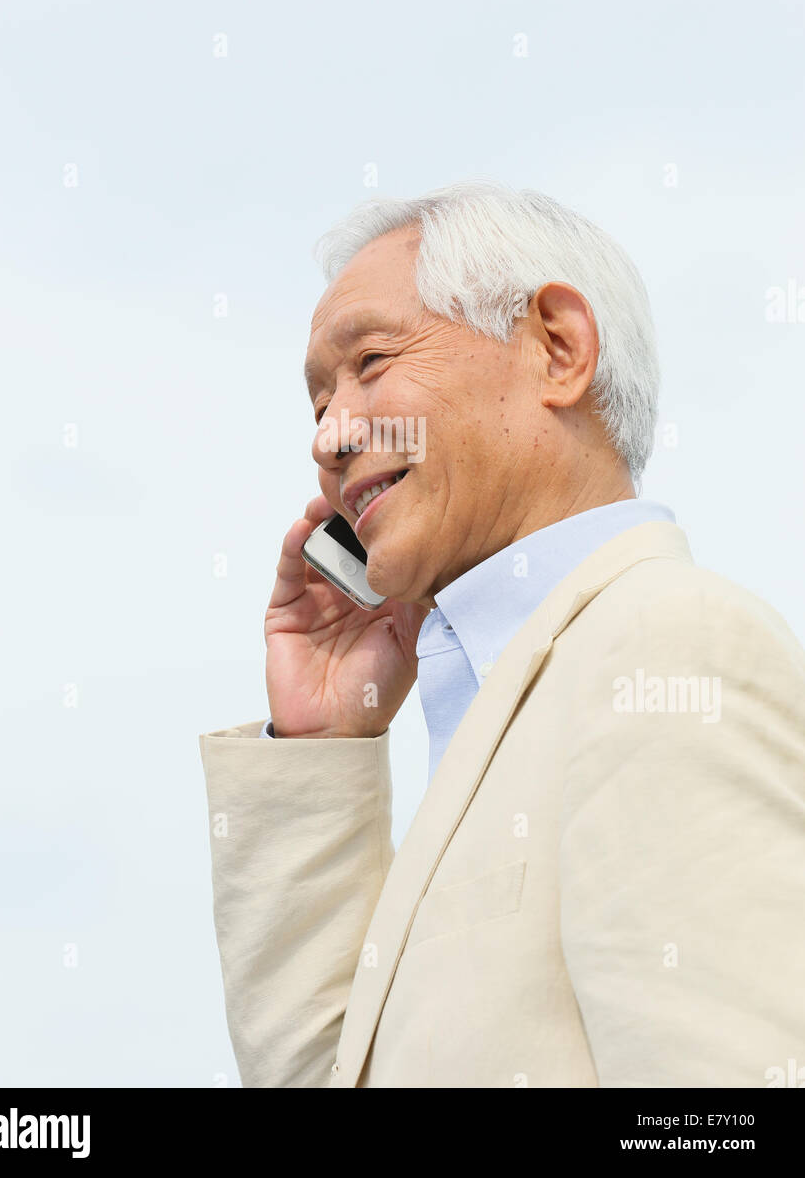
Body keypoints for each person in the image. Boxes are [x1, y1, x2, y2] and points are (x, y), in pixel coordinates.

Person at [199, 180, 805, 1088]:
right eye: (319, 405)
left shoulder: (667, 646)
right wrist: (319, 753)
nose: (328, 439)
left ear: (558, 349)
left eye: (370, 361)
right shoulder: (505, 702)